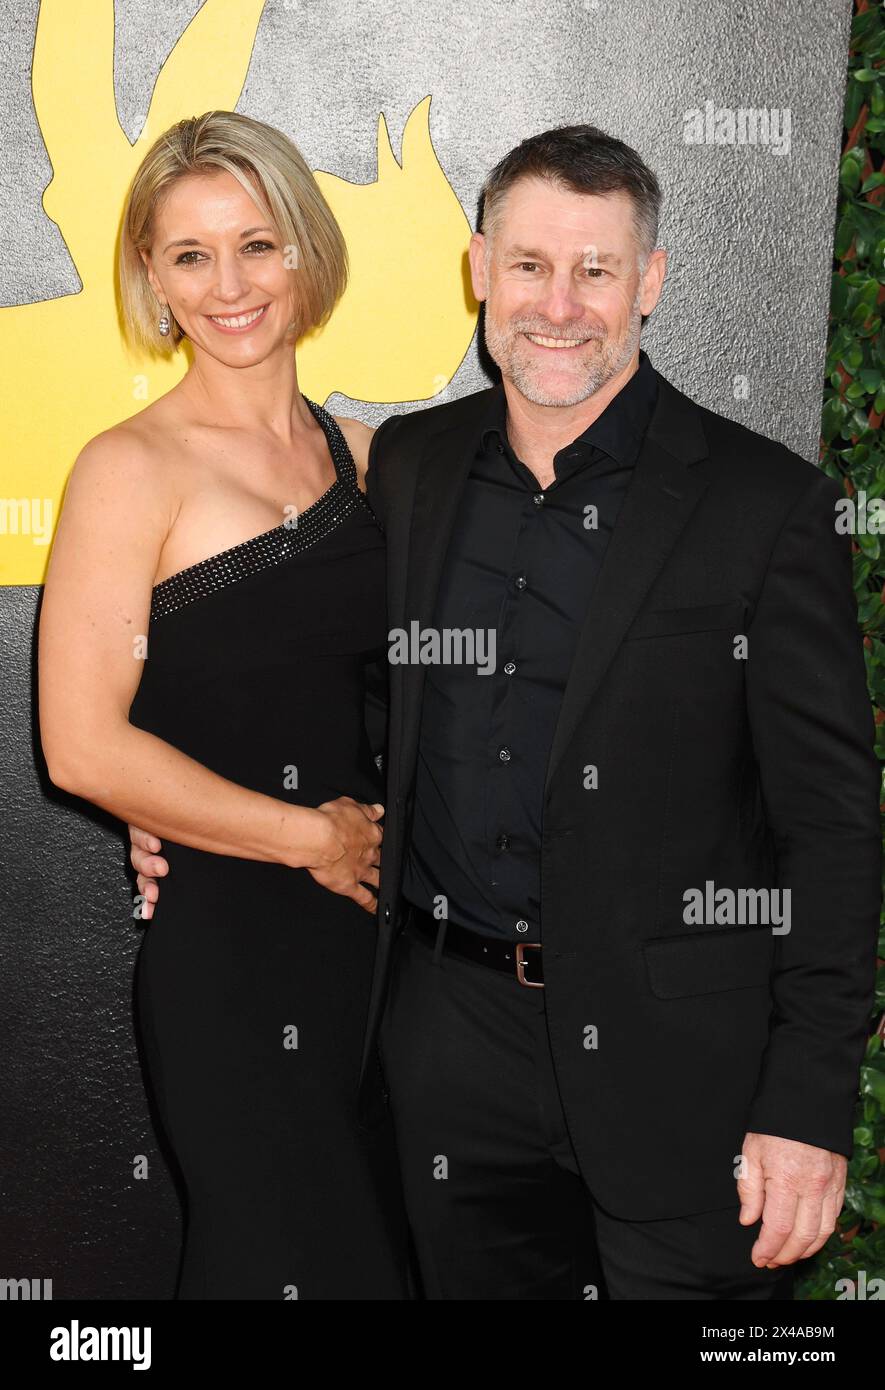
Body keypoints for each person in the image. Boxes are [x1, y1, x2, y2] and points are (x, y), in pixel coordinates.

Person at [130, 125, 881, 1300]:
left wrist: (808, 1103)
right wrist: (170, 810)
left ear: (652, 281)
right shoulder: (411, 470)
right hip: (445, 1053)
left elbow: (833, 829)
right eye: (530, 266)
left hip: (686, 1079)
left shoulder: (765, 506)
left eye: (596, 270)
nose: (560, 306)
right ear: (480, 269)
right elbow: (340, 695)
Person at [38, 110, 411, 1300]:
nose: (229, 284)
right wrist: (311, 835)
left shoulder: (375, 460)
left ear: (307, 248)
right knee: (271, 1258)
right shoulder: (125, 468)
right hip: (234, 950)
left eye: (257, 243)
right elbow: (81, 745)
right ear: (152, 277)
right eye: (190, 254)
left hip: (390, 955)